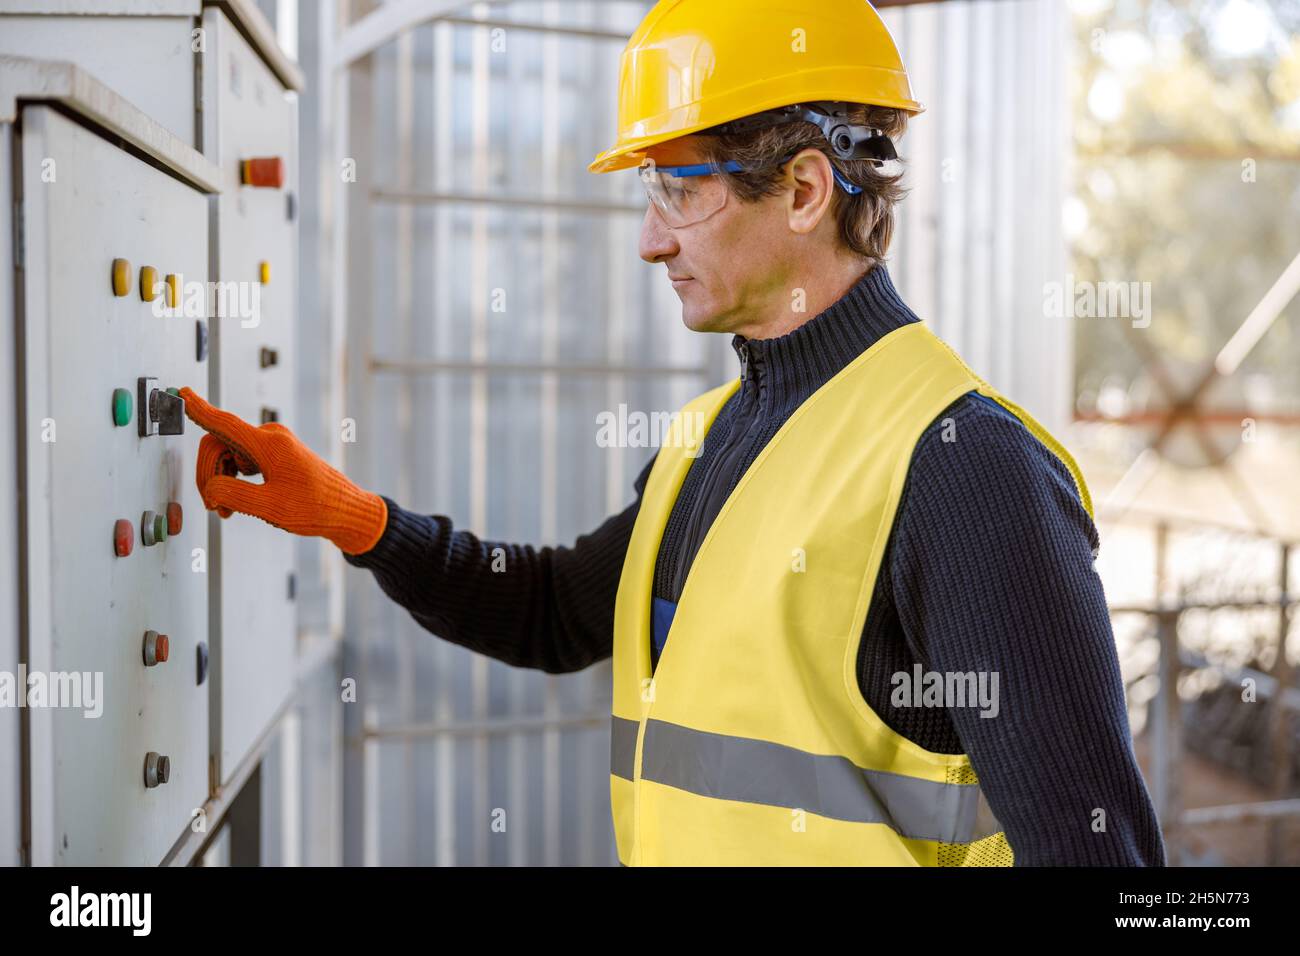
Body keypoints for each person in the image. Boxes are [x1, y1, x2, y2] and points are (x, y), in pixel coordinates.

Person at [179, 0, 1165, 866]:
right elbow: (558, 611)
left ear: (806, 190)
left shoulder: (964, 468)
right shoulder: (708, 434)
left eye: (678, 190)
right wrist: (355, 519)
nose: (650, 239)